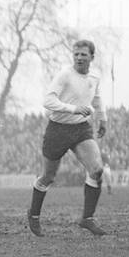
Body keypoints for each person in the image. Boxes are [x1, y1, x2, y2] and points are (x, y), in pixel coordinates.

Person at [28, 39, 108, 237]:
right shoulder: (65, 75)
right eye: (76, 54)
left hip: (81, 129)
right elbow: (47, 100)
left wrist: (102, 118)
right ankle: (34, 214)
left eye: (83, 55)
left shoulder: (94, 78)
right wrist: (73, 109)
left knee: (97, 170)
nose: (79, 58)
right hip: (58, 130)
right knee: (48, 177)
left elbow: (96, 97)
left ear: (92, 57)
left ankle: (87, 219)